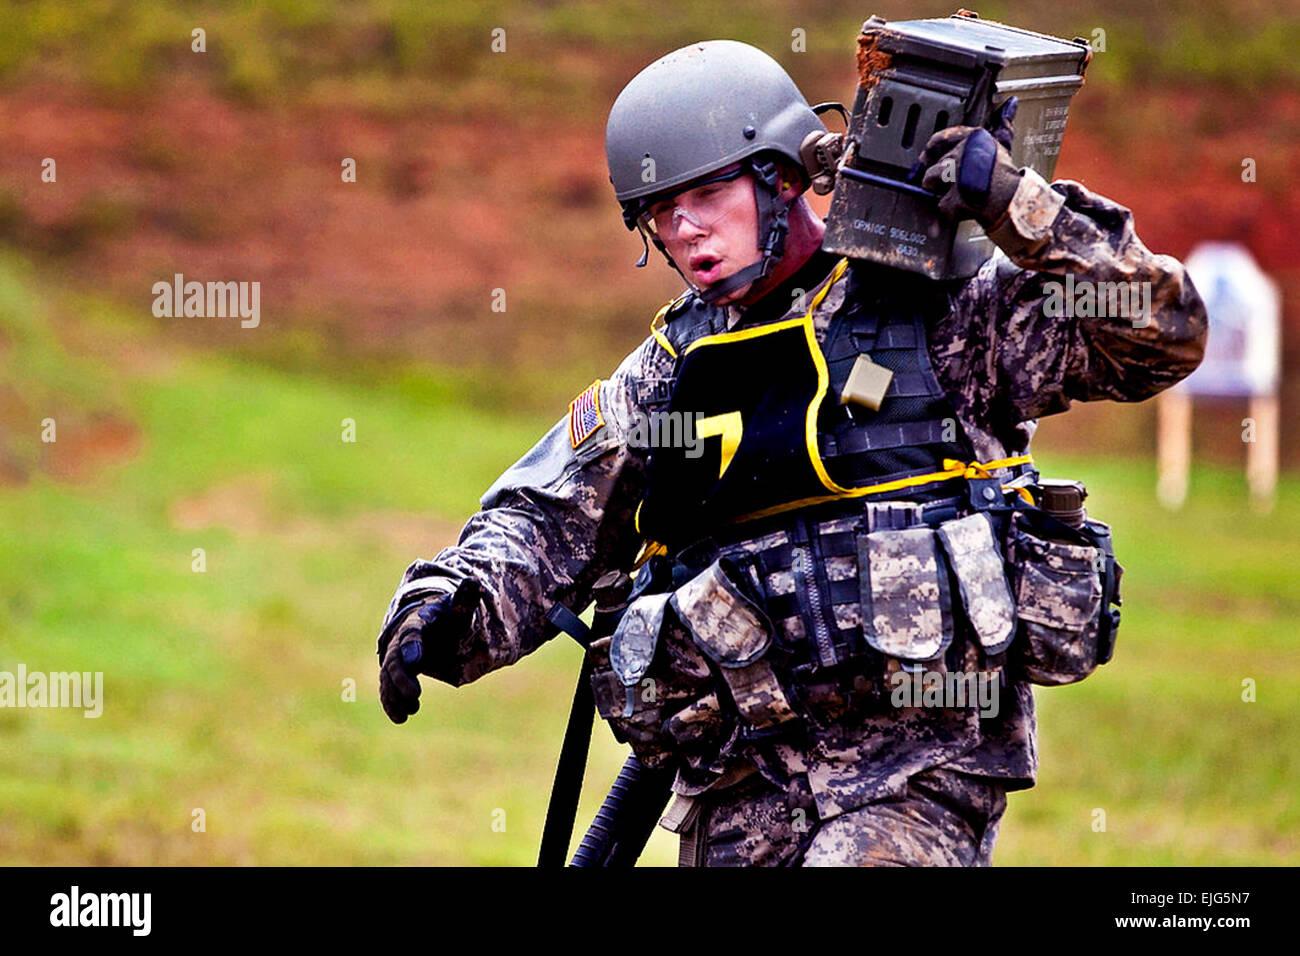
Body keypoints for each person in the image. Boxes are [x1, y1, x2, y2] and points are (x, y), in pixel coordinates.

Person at [375, 40, 1207, 866]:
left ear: (782, 177)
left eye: (706, 193)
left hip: (912, 781)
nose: (687, 229)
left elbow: (1161, 333)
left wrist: (1018, 206)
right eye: (661, 213)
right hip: (735, 792)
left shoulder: (941, 311)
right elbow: (549, 515)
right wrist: (450, 604)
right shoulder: (675, 368)